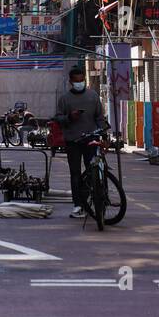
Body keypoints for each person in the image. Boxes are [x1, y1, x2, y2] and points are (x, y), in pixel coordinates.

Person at [54, 66, 108, 218]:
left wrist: (104, 135)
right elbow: (58, 118)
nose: (79, 83)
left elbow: (100, 118)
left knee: (92, 171)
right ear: (71, 82)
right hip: (73, 141)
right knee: (75, 173)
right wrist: (69, 117)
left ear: (84, 80)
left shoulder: (93, 96)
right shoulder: (64, 99)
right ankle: (78, 205)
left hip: (91, 139)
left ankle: (92, 199)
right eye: (76, 81)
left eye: (81, 80)